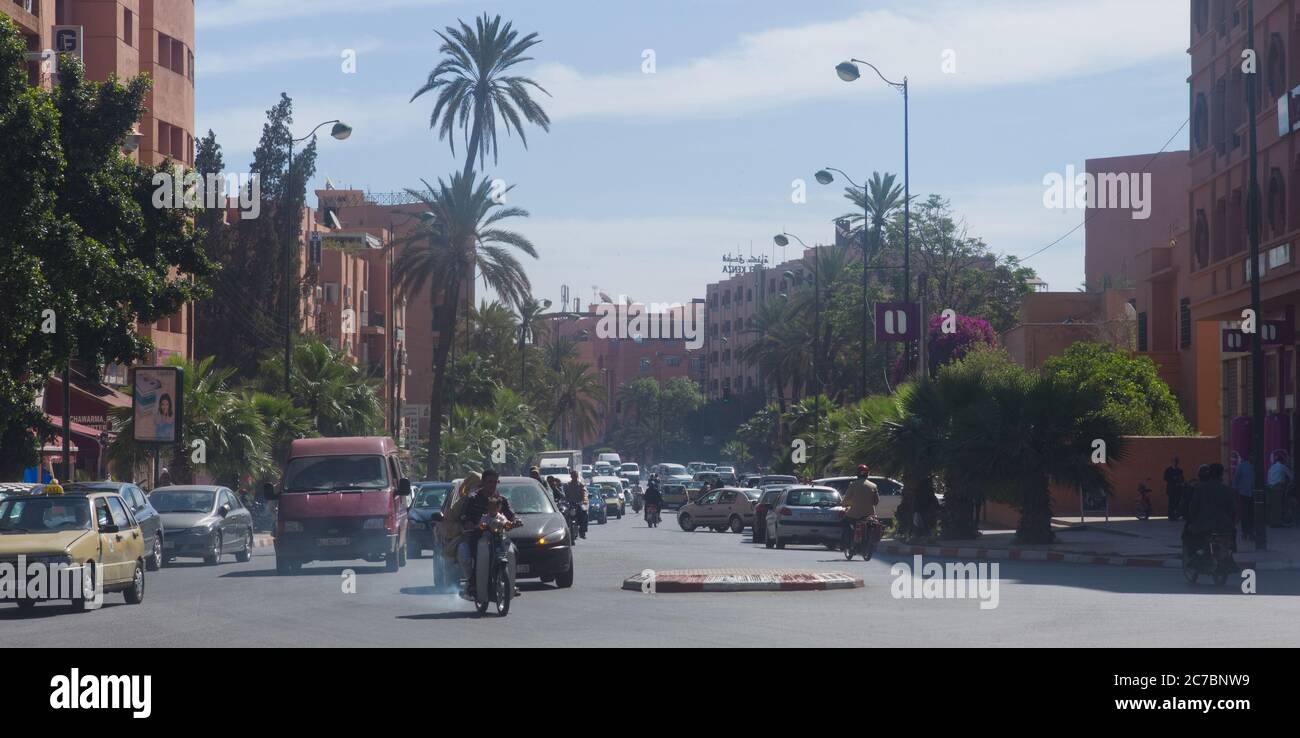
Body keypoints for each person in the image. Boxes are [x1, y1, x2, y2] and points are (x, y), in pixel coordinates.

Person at [458, 470, 520, 597]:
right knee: (469, 553)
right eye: (489, 482)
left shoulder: (501, 500)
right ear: (483, 482)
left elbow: (511, 515)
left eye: (495, 482)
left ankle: (511, 583)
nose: (492, 485)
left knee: (513, 551)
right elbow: (464, 516)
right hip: (479, 535)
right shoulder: (473, 499)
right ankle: (472, 583)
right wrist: (470, 523)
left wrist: (515, 521)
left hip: (499, 536)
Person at [1184, 462, 1236, 558]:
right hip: (1224, 525)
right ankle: (1231, 552)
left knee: (1189, 534)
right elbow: (1233, 509)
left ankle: (1194, 555)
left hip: (1205, 525)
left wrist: (1192, 520)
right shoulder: (1227, 490)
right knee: (1232, 534)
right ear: (1221, 474)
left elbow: (1193, 507)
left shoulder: (1200, 488)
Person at [840, 464, 880, 549]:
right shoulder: (873, 486)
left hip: (854, 514)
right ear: (867, 474)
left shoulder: (853, 485)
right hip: (870, 514)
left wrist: (843, 504)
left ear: (857, 473)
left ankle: (846, 543)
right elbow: (876, 501)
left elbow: (846, 498)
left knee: (845, 521)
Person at [1232, 454, 1255, 540]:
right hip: (1244, 493)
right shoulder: (1242, 466)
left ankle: (1252, 532)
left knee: (1252, 514)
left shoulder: (1257, 466)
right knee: (1245, 513)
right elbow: (1236, 478)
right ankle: (1245, 532)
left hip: (1254, 493)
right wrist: (1235, 489)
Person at [562, 470, 589, 539]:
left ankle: (582, 531)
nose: (574, 477)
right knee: (563, 514)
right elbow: (563, 494)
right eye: (573, 476)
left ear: (577, 477)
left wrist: (584, 500)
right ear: (571, 477)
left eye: (575, 476)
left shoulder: (581, 485)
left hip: (578, 504)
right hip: (569, 504)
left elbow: (584, 493)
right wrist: (563, 500)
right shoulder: (567, 485)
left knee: (584, 514)